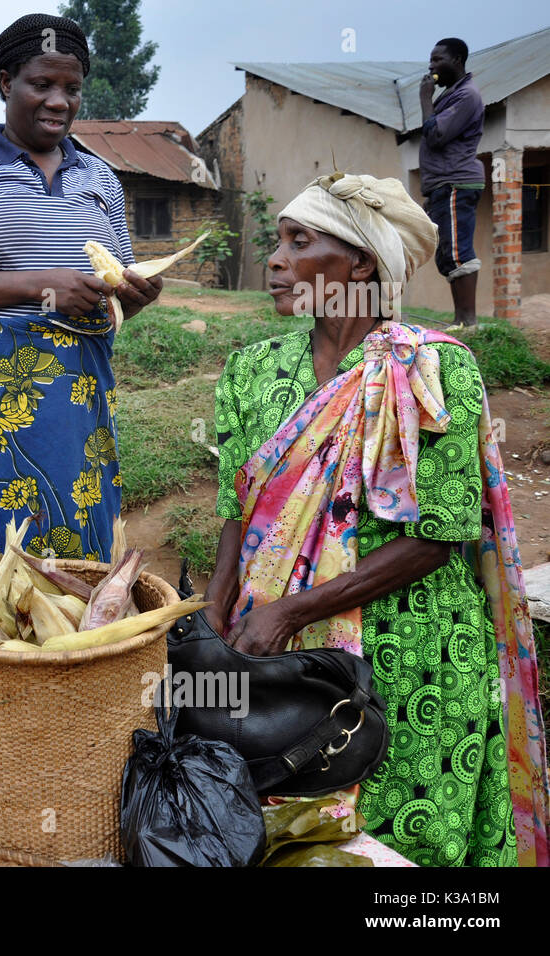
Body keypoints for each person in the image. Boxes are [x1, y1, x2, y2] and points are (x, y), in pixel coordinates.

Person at [205, 172, 548, 866]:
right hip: (282, 658)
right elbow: (238, 510)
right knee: (293, 833)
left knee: (411, 843)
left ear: (360, 262)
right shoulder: (251, 369)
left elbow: (439, 535)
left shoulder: (432, 371)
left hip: (414, 652)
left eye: (299, 241)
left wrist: (293, 610)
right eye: (277, 241)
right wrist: (216, 613)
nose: (276, 260)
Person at [0, 13, 161, 577]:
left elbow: (113, 291)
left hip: (76, 384)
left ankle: (80, 647)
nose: (59, 101)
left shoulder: (99, 179)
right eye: (41, 84)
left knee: (78, 517)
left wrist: (137, 294)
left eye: (71, 89)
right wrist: (41, 288)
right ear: (3, 81)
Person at [419, 37, 484, 327]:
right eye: (430, 61)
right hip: (443, 185)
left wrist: (424, 100)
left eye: (438, 60)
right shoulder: (451, 95)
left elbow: (436, 135)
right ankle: (461, 320)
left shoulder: (467, 96)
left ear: (457, 60)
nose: (432, 66)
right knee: (447, 254)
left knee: (457, 252)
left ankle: (468, 322)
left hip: (457, 182)